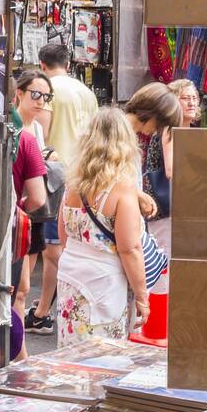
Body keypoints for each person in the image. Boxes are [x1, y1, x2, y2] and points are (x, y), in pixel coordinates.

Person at [55, 108, 148, 346]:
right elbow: (130, 249)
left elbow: (63, 236)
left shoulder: (73, 183)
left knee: (71, 351)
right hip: (103, 283)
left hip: (70, 277)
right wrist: (142, 296)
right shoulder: (122, 188)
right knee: (103, 354)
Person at [28, 44, 98, 332]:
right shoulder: (86, 92)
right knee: (68, 243)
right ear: (68, 64)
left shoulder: (47, 90)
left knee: (52, 248)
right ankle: (49, 305)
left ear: (42, 64)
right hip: (83, 173)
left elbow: (41, 135)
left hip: (56, 176)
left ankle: (43, 310)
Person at [125, 83, 182, 305]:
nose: (158, 130)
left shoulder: (123, 134)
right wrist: (136, 194)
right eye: (161, 124)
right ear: (153, 114)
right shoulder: (119, 136)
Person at [12, 70, 53, 319]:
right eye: (36, 94)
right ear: (19, 93)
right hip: (23, 210)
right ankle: (18, 342)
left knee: (23, 289)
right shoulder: (14, 128)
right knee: (20, 288)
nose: (41, 102)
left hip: (32, 213)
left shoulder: (36, 128)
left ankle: (18, 339)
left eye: (46, 97)